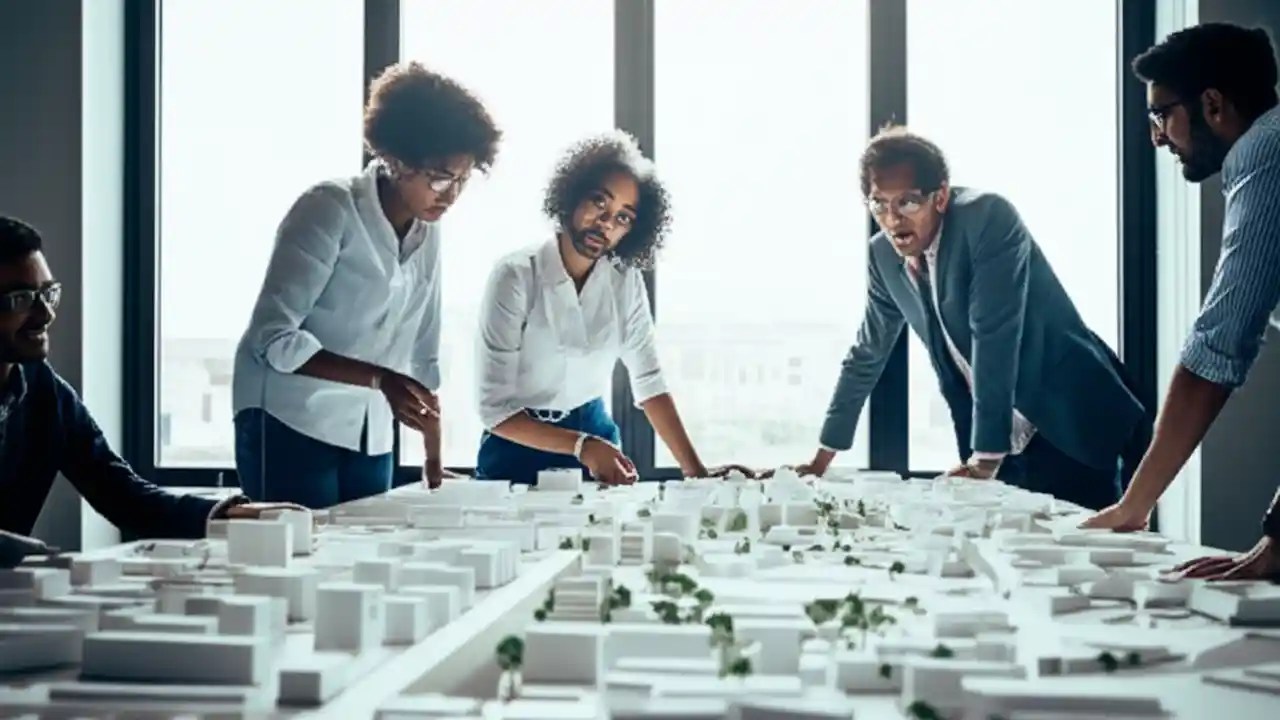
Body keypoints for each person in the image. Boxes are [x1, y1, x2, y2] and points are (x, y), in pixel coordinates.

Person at [777, 126, 1150, 511]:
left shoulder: (987, 217)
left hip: (1067, 423)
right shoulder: (883, 257)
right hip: (995, 448)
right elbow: (868, 352)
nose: (892, 219)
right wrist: (821, 459)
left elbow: (993, 331)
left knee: (1089, 559)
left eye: (907, 202)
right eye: (878, 204)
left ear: (939, 197)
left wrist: (984, 459)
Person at [232, 62, 501, 507]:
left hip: (370, 431)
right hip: (289, 419)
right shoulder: (328, 209)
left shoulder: (428, 230)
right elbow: (272, 337)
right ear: (396, 159)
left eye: (462, 179)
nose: (450, 194)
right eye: (439, 176)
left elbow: (421, 349)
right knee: (300, 559)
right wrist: (380, 379)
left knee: (365, 557)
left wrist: (433, 450)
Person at [1082, 23, 1280, 581]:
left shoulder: (1266, 153)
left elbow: (1219, 345)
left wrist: (1133, 505)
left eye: (1160, 114)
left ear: (1212, 104)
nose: (1156, 136)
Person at [0, 217, 299, 568]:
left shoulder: (41, 390)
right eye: (21, 299)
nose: (45, 314)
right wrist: (36, 558)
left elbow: (125, 496)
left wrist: (228, 515)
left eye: (47, 294)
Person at [473, 132, 751, 486]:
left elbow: (648, 380)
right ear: (571, 196)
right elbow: (494, 408)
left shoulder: (624, 280)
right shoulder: (514, 276)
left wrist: (696, 473)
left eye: (623, 218)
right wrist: (582, 446)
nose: (606, 222)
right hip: (516, 444)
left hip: (596, 436)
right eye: (599, 202)